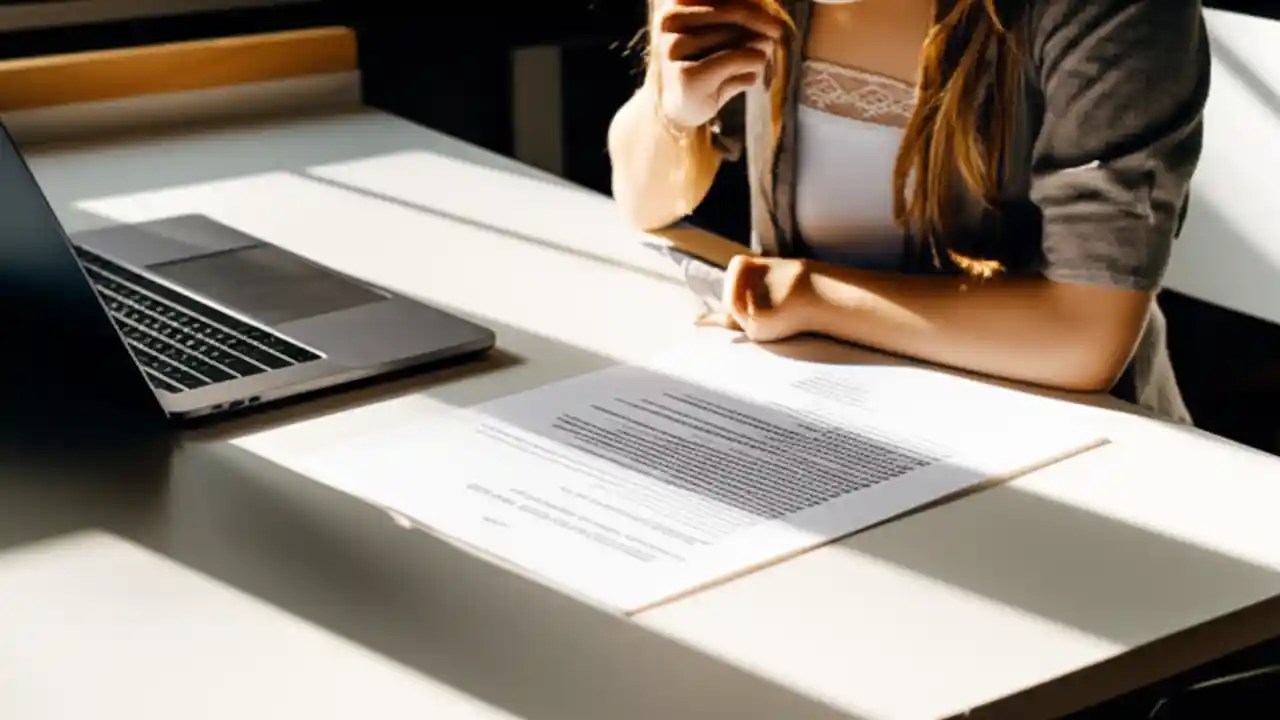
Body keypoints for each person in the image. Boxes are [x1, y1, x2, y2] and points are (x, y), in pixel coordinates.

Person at [607, 0, 1210, 422]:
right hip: (824, 413)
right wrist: (670, 108)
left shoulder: (1107, 13)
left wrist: (814, 295)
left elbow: (1085, 336)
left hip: (1071, 442)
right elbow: (648, 203)